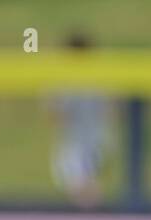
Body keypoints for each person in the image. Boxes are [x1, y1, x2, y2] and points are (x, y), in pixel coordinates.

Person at [48, 32, 110, 208]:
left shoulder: (95, 77)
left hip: (87, 142)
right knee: (81, 187)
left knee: (83, 189)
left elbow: (55, 115)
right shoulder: (65, 78)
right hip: (79, 142)